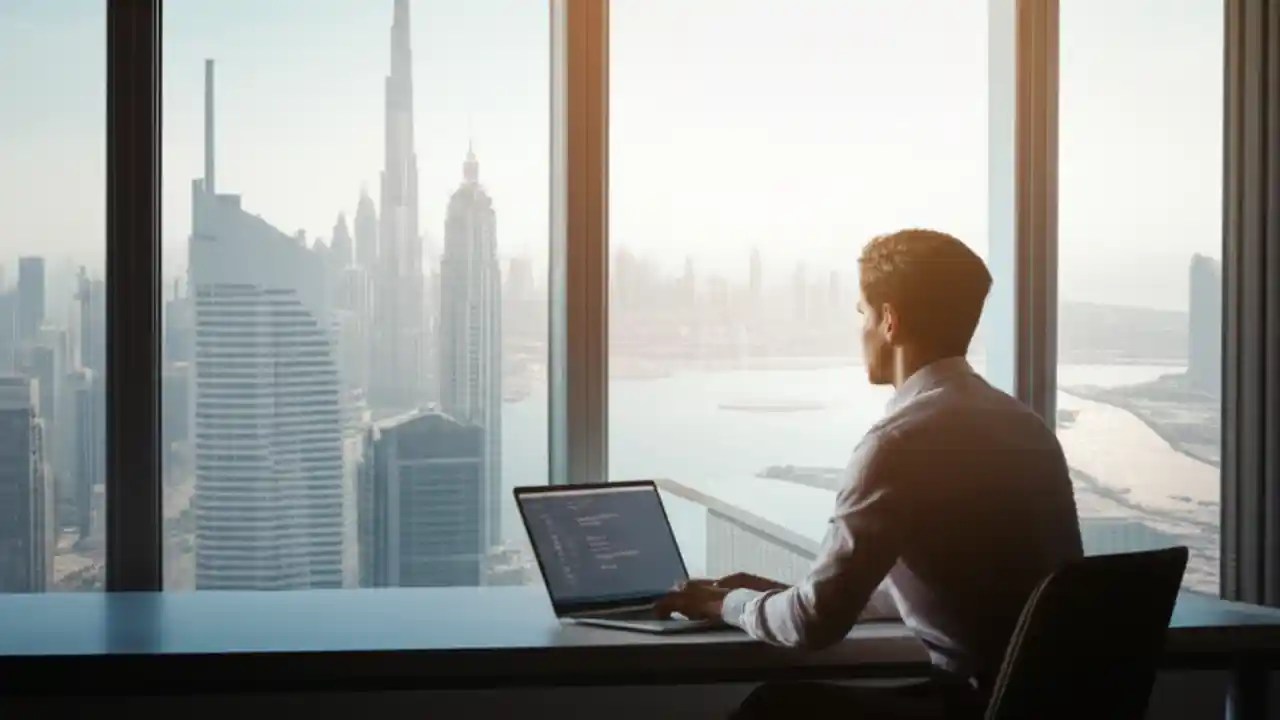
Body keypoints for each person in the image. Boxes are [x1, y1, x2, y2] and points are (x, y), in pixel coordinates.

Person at [656, 229, 1084, 718]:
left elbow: (813, 627)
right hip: (1041, 704)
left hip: (969, 705)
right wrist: (788, 594)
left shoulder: (897, 443)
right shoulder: (1026, 427)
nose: (859, 328)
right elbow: (963, 584)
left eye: (862, 313)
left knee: (777, 709)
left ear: (890, 322)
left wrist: (722, 604)